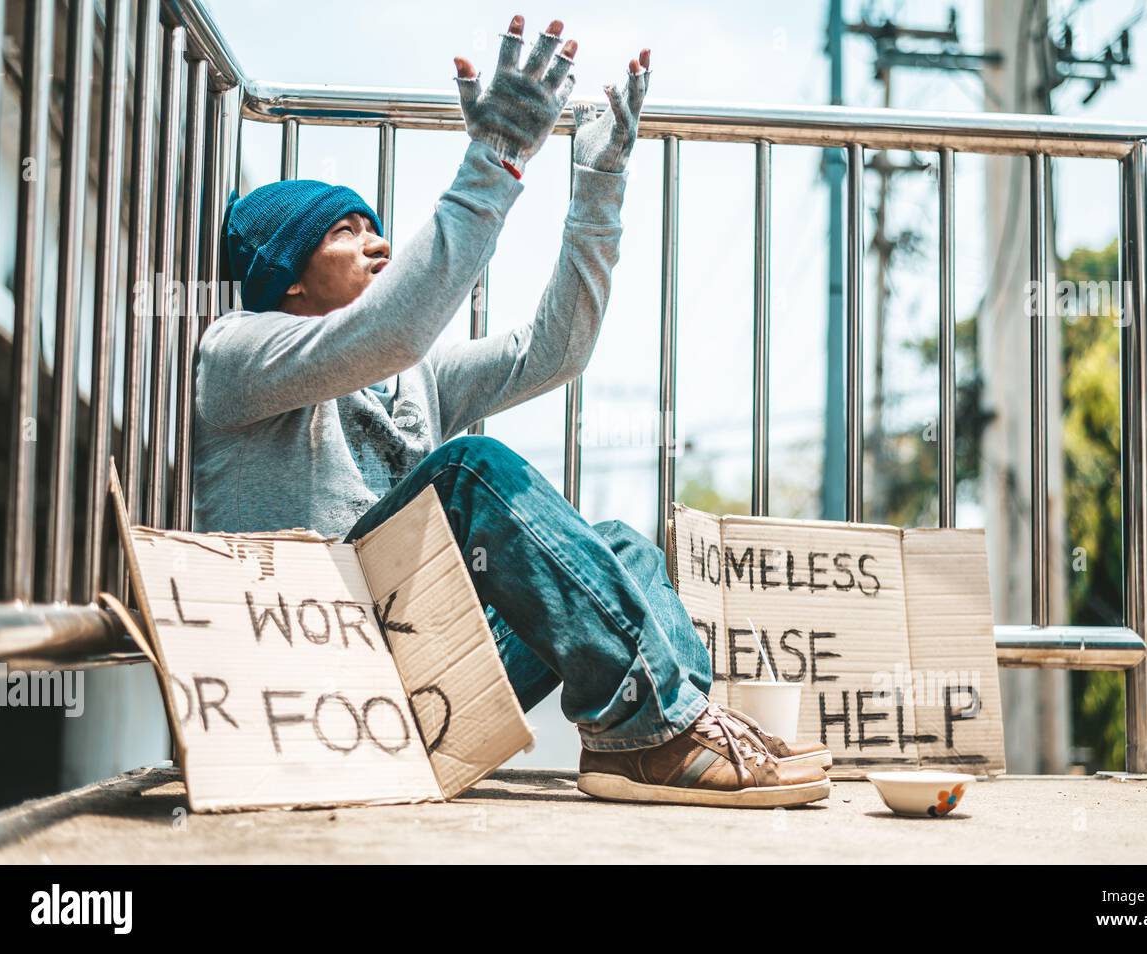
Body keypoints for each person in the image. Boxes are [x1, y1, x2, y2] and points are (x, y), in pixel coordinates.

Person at [194, 14, 831, 808]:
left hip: (418, 684)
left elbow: (552, 352)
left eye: (378, 229)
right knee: (471, 472)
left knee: (623, 554)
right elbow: (395, 328)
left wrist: (598, 188)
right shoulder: (239, 352)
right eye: (345, 232)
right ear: (287, 275)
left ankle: (639, 743)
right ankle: (663, 729)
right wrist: (495, 158)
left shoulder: (408, 377)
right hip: (312, 674)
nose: (379, 246)